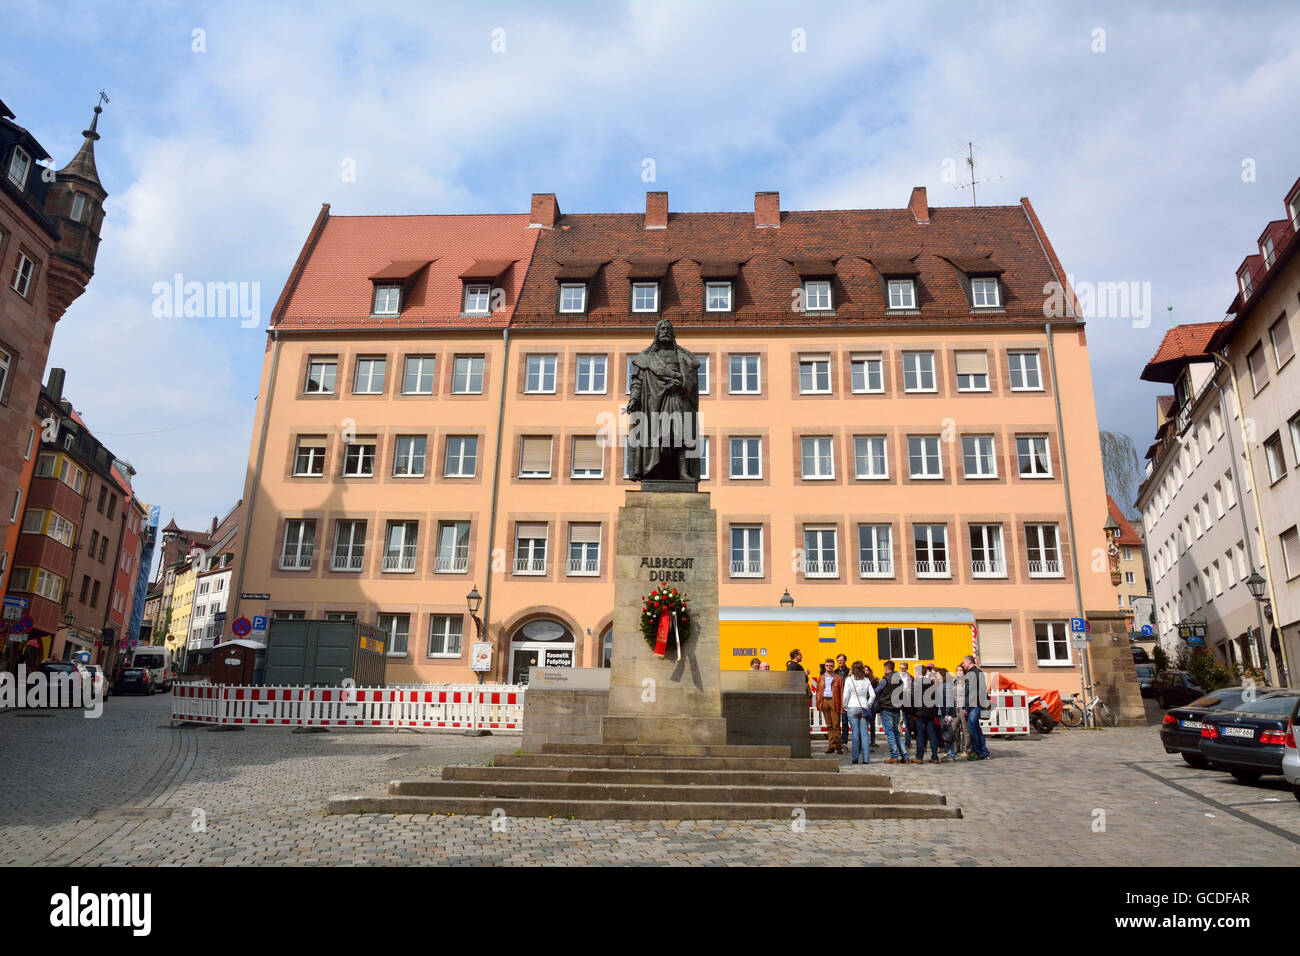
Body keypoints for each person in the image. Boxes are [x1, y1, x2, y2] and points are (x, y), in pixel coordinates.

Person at [842, 661, 876, 764]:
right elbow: (873, 695)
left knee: (855, 735)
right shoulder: (866, 680)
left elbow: (846, 695)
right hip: (863, 707)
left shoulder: (849, 679)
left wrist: (845, 706)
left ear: (852, 669)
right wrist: (868, 705)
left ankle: (855, 758)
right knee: (865, 735)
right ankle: (866, 759)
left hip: (852, 706)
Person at [959, 655, 991, 760]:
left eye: (964, 662)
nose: (963, 665)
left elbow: (977, 691)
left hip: (974, 705)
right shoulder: (972, 673)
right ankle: (983, 751)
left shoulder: (976, 673)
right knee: (976, 729)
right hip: (973, 704)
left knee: (972, 728)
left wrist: (968, 705)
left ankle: (976, 751)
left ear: (969, 662)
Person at [875, 660, 908, 763]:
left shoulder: (885, 679)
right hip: (896, 709)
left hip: (886, 708)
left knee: (890, 733)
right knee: (897, 733)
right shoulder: (899, 679)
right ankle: (905, 756)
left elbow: (876, 691)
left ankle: (894, 756)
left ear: (886, 668)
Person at [813, 659, 844, 754]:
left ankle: (838, 746)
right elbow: (818, 692)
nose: (829, 667)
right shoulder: (821, 678)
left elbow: (842, 692)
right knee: (829, 726)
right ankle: (831, 746)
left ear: (833, 666)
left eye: (830, 665)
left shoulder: (838, 678)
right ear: (825, 667)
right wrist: (819, 703)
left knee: (836, 725)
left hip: (834, 701)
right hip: (824, 701)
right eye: (827, 665)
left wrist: (842, 705)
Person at [914, 665, 941, 763]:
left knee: (920, 735)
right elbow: (936, 699)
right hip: (930, 713)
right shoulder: (932, 684)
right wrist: (934, 713)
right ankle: (935, 757)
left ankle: (919, 757)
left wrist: (912, 712)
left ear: (917, 673)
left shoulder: (915, 683)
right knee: (932, 734)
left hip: (919, 712)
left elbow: (911, 698)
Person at [936, 666, 957, 761]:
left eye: (938, 675)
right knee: (946, 733)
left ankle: (951, 755)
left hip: (945, 713)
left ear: (943, 675)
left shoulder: (947, 685)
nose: (936, 677)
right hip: (942, 712)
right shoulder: (941, 685)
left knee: (948, 733)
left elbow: (949, 701)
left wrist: (948, 715)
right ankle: (949, 753)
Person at [834, 654, 851, 745]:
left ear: (845, 660)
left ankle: (844, 742)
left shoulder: (850, 672)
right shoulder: (835, 672)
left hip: (847, 699)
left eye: (841, 660)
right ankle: (836, 741)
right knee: (836, 722)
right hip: (837, 698)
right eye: (838, 660)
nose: (840, 662)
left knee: (845, 722)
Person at [862, 665, 878, 749]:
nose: (866, 672)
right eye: (864, 670)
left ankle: (873, 741)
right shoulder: (861, 680)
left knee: (872, 723)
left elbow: (877, 692)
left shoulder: (874, 680)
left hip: (872, 704)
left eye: (867, 670)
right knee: (865, 723)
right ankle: (865, 742)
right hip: (864, 703)